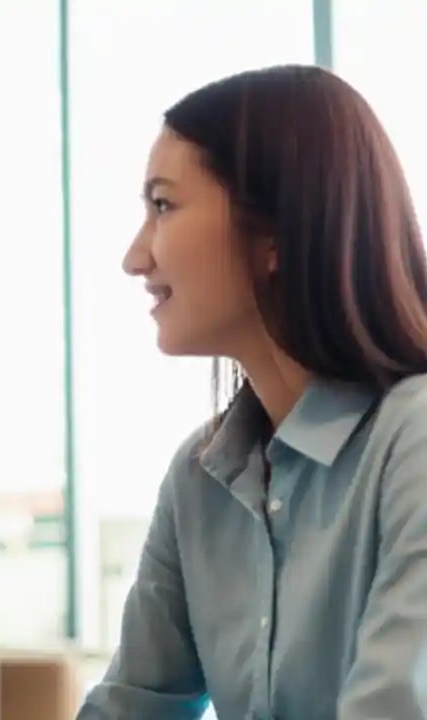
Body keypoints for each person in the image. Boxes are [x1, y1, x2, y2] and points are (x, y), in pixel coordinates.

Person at [79, 64, 427, 719]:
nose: (135, 256)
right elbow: (132, 709)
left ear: (275, 233)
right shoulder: (199, 475)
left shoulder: (416, 438)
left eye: (162, 205)